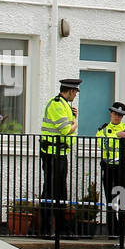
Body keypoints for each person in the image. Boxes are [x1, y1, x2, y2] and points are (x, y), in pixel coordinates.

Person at [39, 77, 80, 237]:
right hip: (52, 154)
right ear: (70, 91)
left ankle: (61, 229)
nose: (76, 95)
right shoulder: (56, 104)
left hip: (61, 153)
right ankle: (45, 229)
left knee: (61, 192)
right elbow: (65, 130)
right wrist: (75, 122)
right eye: (75, 92)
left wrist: (72, 117)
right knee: (50, 191)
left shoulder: (64, 105)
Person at [96, 101, 125, 234]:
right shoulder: (103, 130)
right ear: (110, 113)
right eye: (115, 114)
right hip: (110, 169)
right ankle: (112, 231)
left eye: (120, 115)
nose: (117, 117)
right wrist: (117, 136)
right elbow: (102, 143)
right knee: (112, 202)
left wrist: (124, 158)